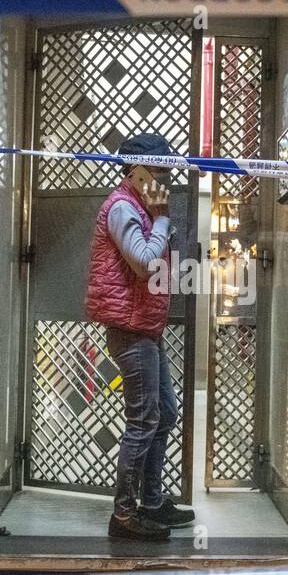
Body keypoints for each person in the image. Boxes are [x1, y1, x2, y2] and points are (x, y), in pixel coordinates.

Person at [85, 133, 197, 541]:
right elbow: (146, 263)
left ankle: (151, 502)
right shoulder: (122, 208)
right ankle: (125, 515)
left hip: (144, 328)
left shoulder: (139, 206)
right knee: (144, 419)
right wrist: (164, 218)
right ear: (135, 170)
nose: (165, 176)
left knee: (163, 413)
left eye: (167, 169)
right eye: (158, 169)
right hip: (130, 330)